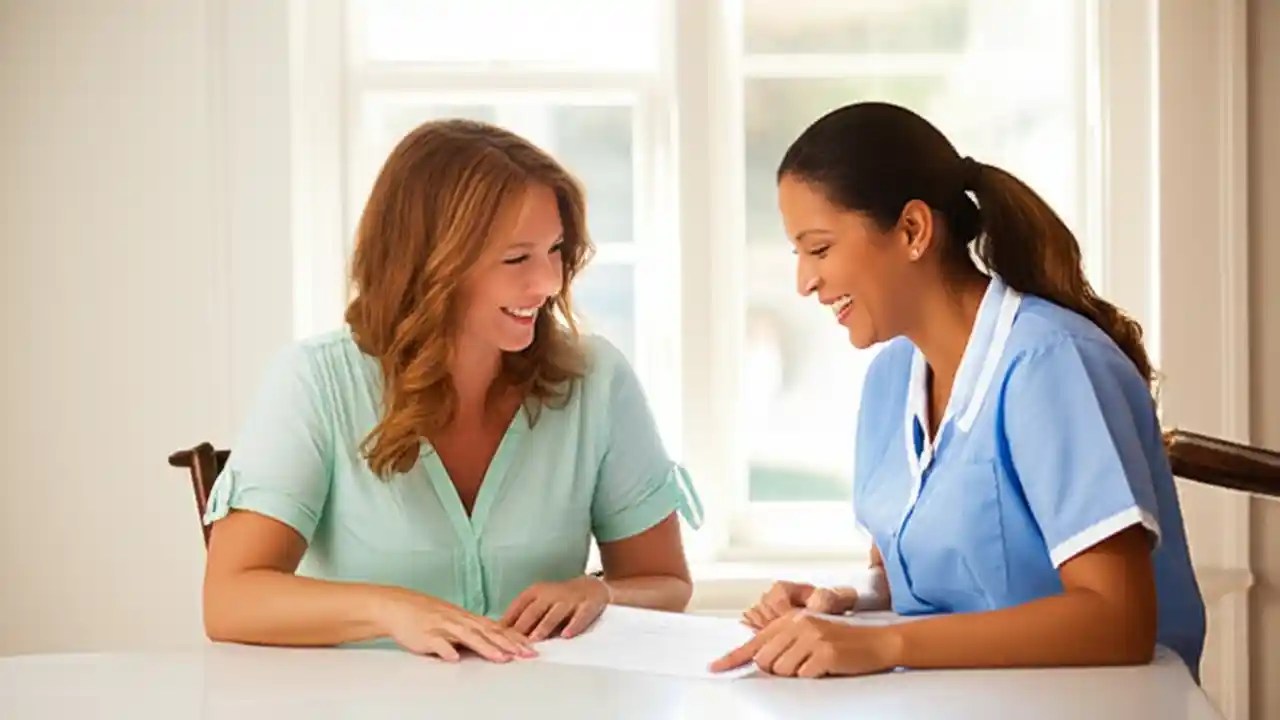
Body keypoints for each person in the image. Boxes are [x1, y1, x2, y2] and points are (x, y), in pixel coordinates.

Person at [712, 102, 1205, 679]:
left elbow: (1117, 620)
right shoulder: (891, 377)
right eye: (797, 254)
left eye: (819, 248)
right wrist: (848, 601)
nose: (804, 282)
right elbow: (931, 570)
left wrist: (887, 645)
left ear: (913, 230)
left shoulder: (1051, 365)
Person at [202, 119, 701, 663]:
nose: (548, 283)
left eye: (555, 250)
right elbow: (230, 599)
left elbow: (665, 582)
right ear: (428, 263)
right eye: (517, 259)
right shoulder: (316, 382)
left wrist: (601, 593)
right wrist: (394, 610)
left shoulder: (596, 379)